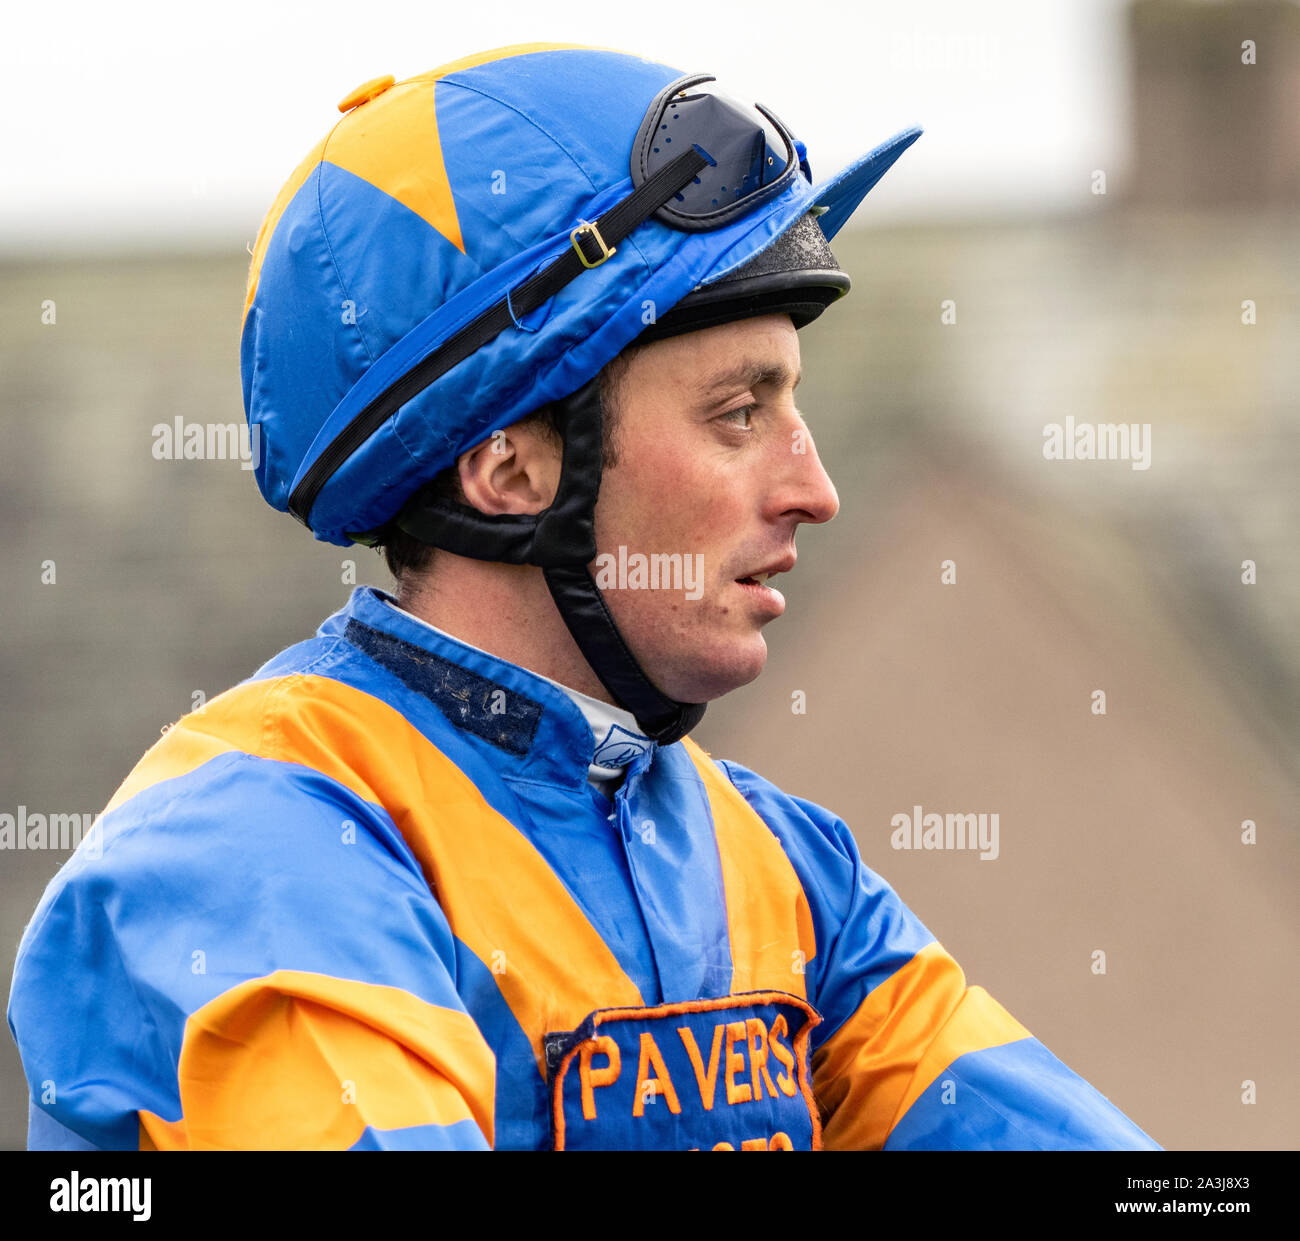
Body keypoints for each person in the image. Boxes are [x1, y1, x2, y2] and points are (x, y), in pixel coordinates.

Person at [7, 43, 1160, 1151]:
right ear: (508, 467)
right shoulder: (250, 853)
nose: (816, 490)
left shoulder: (773, 860)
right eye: (739, 412)